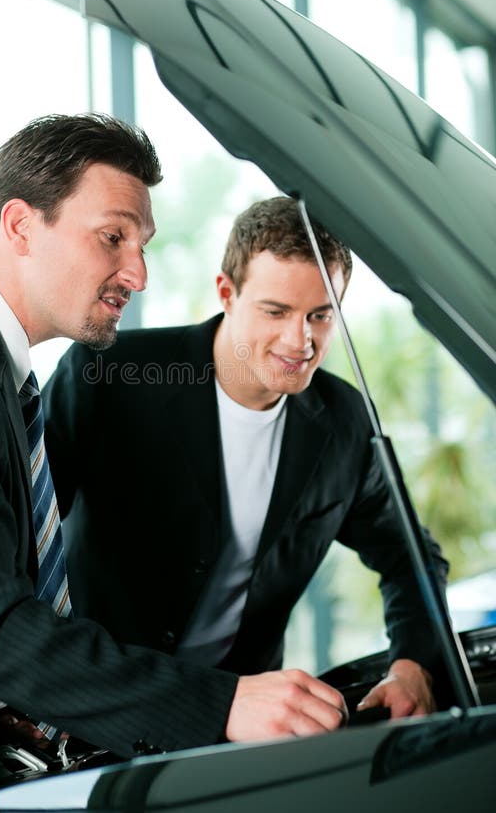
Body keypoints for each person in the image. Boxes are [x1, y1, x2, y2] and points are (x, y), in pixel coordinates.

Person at [0, 118, 348, 808]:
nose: (137, 273)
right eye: (113, 237)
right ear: (20, 225)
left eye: (142, 245)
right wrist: (219, 704)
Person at [43, 195, 449, 728]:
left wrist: (413, 662)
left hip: (245, 728)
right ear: (226, 293)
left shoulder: (345, 421)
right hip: (96, 710)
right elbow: (20, 546)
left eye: (321, 315)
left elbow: (410, 556)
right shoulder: (108, 377)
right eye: (276, 311)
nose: (299, 341)